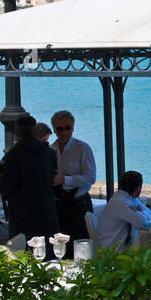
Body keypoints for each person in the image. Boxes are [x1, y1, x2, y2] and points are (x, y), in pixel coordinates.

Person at [0, 114, 59, 248]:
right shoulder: (48, 152)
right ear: (34, 131)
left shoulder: (14, 154)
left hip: (23, 215)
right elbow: (53, 178)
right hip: (47, 211)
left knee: (22, 256)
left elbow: (5, 187)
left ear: (17, 132)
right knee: (48, 255)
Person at [49, 110, 96, 258]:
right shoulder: (50, 150)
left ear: (73, 128)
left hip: (78, 204)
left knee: (81, 248)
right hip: (58, 204)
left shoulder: (82, 148)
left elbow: (90, 177)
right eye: (60, 129)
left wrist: (65, 180)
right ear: (54, 130)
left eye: (67, 128)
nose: (64, 132)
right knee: (59, 247)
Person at [96, 170, 151, 250]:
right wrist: (140, 212)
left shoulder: (128, 198)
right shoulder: (121, 203)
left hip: (117, 244)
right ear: (138, 188)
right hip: (111, 249)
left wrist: (141, 212)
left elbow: (149, 212)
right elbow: (142, 222)